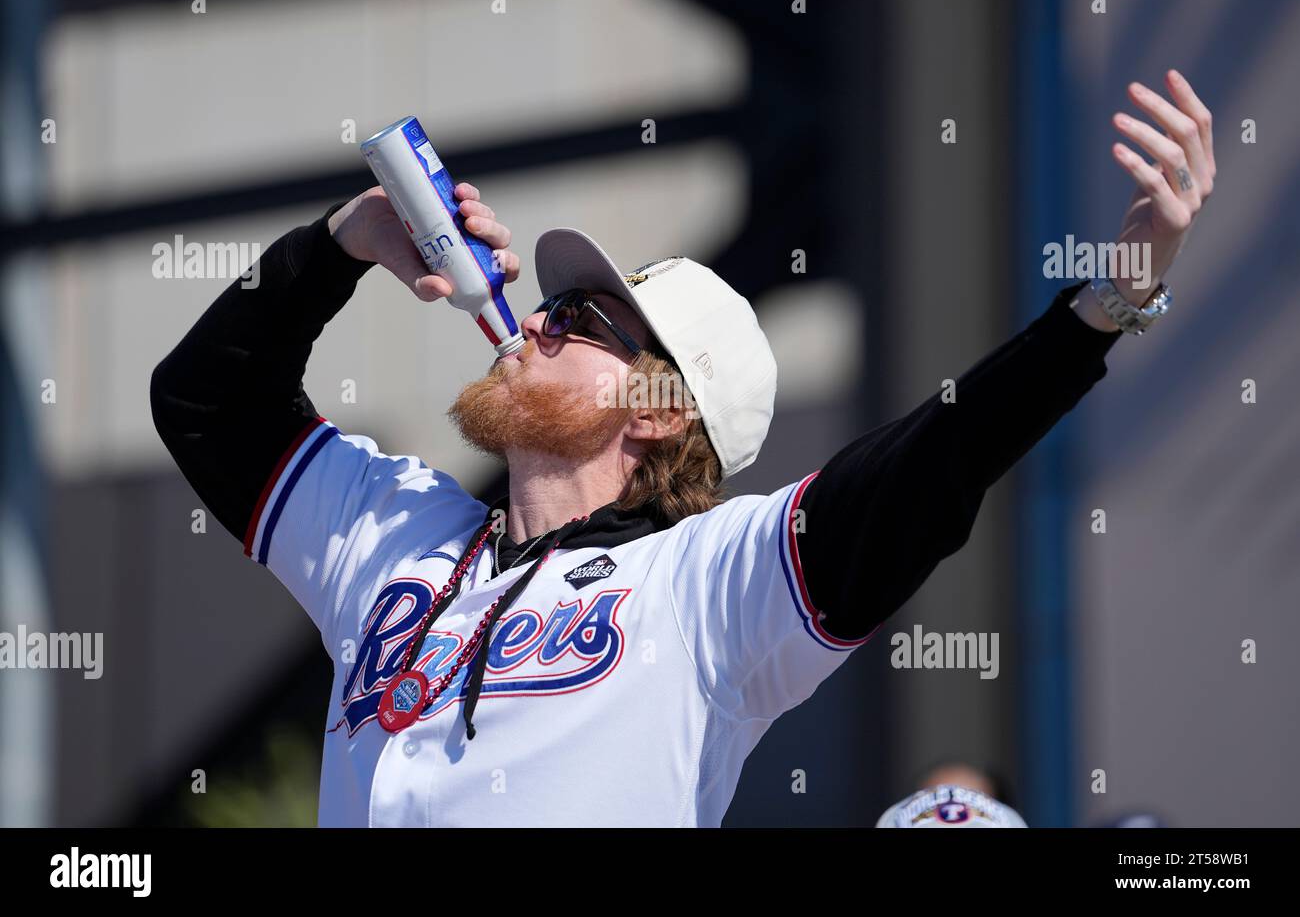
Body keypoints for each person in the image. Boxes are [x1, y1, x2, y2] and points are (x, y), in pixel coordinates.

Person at [150, 71, 1215, 826]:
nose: (535, 320)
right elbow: (205, 402)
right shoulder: (399, 530)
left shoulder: (705, 584)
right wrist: (342, 244)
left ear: (659, 407)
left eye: (579, 318)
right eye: (551, 301)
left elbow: (933, 460)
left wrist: (1108, 304)